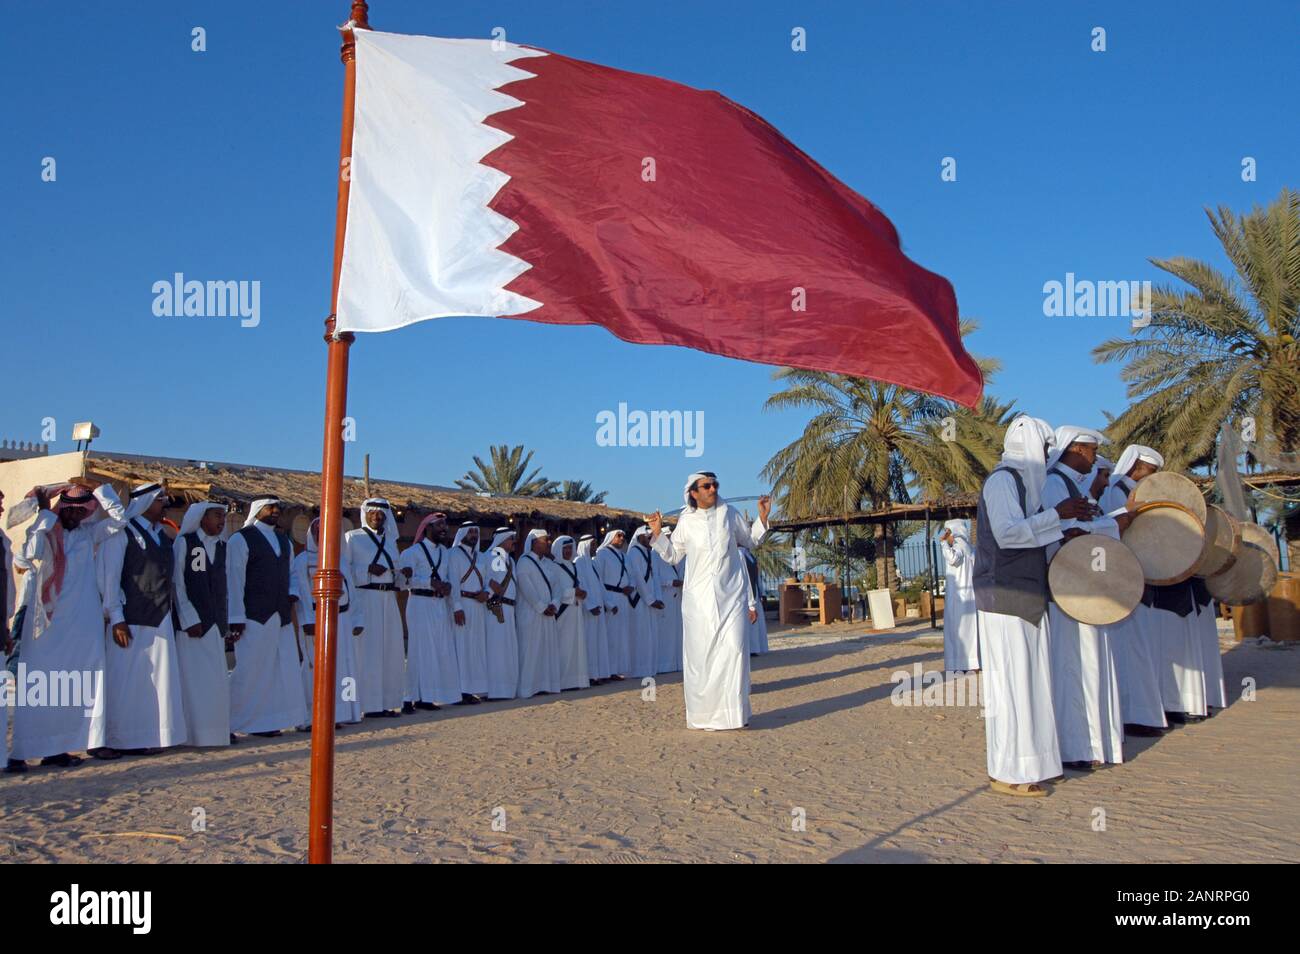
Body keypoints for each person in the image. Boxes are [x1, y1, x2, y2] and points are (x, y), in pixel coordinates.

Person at [972, 416, 1093, 797]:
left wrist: (1062, 528)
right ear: (1028, 446)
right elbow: (1008, 534)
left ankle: (1035, 764)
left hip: (1027, 596)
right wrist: (1059, 517)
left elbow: (1030, 529)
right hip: (1004, 596)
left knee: (1032, 683)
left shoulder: (1026, 485)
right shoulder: (1003, 480)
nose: (1046, 456)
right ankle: (1008, 772)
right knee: (1011, 686)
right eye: (1043, 449)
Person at [6, 479, 126, 771]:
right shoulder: (45, 531)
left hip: (83, 621)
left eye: (80, 510)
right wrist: (45, 514)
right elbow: (29, 552)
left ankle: (58, 749)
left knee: (76, 684)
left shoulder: (90, 534)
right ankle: (22, 750)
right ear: (60, 509)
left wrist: (99, 489)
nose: (75, 515)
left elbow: (120, 519)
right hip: (47, 623)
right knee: (41, 687)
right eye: (69, 509)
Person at [646, 472, 771, 730]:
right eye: (707, 486)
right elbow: (672, 556)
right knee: (703, 658)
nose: (713, 489)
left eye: (715, 485)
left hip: (732, 597)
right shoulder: (687, 521)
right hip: (699, 602)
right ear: (694, 492)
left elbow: (750, 540)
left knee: (734, 650)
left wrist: (762, 518)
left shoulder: (730, 513)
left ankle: (733, 716)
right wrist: (658, 534)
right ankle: (705, 717)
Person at [1041, 426, 1130, 770]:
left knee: (1090, 662)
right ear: (1075, 449)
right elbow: (1057, 532)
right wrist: (1106, 526)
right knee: (1073, 666)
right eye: (1091, 451)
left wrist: (1108, 525)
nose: (1094, 459)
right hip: (1067, 589)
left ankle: (1096, 742)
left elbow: (1085, 526)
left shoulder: (1073, 486)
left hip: (1086, 586)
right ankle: (1077, 746)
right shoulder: (1052, 485)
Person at [1100, 445, 1169, 737]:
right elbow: (1113, 528)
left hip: (1136, 573)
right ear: (1136, 467)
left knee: (1141, 647)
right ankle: (1135, 715)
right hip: (1123, 575)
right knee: (1132, 649)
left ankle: (1145, 713)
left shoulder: (1135, 493)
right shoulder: (1116, 492)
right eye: (1148, 471)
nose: (1148, 478)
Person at [227, 498, 309, 737]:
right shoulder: (241, 539)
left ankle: (268, 722)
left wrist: (292, 593)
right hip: (253, 615)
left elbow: (292, 573)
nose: (275, 511)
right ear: (257, 511)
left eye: (277, 508)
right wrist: (236, 616)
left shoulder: (284, 541)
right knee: (250, 670)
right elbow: (234, 578)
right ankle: (232, 721)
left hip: (280, 614)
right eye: (269, 508)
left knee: (280, 669)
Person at [293, 517, 365, 726]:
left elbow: (351, 590)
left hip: (342, 618)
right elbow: (303, 594)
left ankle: (345, 711)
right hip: (316, 620)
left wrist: (356, 618)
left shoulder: (340, 560)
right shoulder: (302, 561)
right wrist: (307, 620)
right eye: (318, 531)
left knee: (346, 666)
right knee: (314, 666)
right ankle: (311, 716)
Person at [172, 502, 233, 746]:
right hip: (193, 626)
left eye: (223, 516)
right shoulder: (185, 543)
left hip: (215, 624)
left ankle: (216, 733)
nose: (221, 521)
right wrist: (189, 618)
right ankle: (193, 735)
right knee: (193, 682)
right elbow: (178, 584)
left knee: (216, 682)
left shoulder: (222, 547)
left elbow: (225, 588)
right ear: (201, 518)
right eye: (216, 515)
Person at [344, 498, 405, 718]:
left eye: (381, 514)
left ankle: (386, 703)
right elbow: (345, 570)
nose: (377, 517)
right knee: (367, 653)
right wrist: (367, 569)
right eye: (373, 513)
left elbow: (396, 571)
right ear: (365, 515)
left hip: (388, 599)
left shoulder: (391, 541)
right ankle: (365, 705)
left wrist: (402, 576)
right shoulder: (352, 538)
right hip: (365, 598)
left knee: (390, 650)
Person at [397, 512, 461, 709]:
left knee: (438, 651)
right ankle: (408, 698)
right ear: (428, 528)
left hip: (440, 605)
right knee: (418, 650)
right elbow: (401, 583)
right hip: (419, 604)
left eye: (445, 525)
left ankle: (426, 696)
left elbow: (452, 580)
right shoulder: (411, 553)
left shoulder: (445, 553)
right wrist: (428, 582)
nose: (444, 529)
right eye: (439, 525)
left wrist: (451, 595)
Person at [516, 528, 561, 697]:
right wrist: (542, 606)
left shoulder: (548, 564)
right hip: (531, 614)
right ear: (534, 542)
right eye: (545, 540)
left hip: (549, 612)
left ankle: (545, 684)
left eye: (549, 540)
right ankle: (527, 688)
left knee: (546, 649)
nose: (549, 543)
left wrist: (554, 604)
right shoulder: (524, 562)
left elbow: (557, 587)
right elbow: (526, 587)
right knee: (530, 650)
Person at [447, 523, 488, 703]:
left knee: (475, 648)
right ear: (462, 534)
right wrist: (457, 607)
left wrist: (487, 593)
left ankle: (472, 689)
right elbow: (453, 582)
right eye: (470, 532)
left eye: (476, 532)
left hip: (479, 605)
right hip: (461, 604)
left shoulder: (482, 556)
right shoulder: (453, 554)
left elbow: (488, 580)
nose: (473, 535)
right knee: (461, 648)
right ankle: (459, 691)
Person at [482, 527, 520, 700]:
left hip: (510, 608)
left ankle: (507, 689)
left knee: (508, 649)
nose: (513, 542)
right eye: (511, 538)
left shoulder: (510, 560)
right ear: (502, 539)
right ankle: (495, 690)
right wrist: (492, 587)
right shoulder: (490, 556)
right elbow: (485, 577)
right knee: (496, 649)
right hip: (496, 608)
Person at [548, 535, 590, 690]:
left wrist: (582, 593)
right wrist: (574, 592)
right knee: (563, 647)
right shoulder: (553, 567)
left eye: (570, 548)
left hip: (576, 610)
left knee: (576, 647)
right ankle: (562, 682)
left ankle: (575, 681)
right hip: (563, 612)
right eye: (565, 548)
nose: (568, 551)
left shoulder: (574, 566)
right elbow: (554, 590)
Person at [937, 519, 979, 672]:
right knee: (970, 630)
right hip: (970, 595)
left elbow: (953, 559)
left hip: (958, 596)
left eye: (947, 532)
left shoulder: (958, 546)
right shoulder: (970, 548)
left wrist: (943, 544)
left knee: (957, 630)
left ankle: (959, 665)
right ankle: (973, 663)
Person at [625, 526, 664, 677]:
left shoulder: (651, 553)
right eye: (646, 537)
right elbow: (639, 578)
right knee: (641, 635)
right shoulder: (634, 552)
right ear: (639, 537)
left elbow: (655, 576)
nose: (649, 539)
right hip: (640, 600)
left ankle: (649, 668)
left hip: (651, 599)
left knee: (651, 635)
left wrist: (658, 598)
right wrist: (650, 599)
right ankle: (639, 669)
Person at [594, 529, 631, 678]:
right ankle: (607, 671)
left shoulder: (624, 557)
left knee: (621, 636)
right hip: (610, 596)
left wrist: (632, 586)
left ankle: (616, 670)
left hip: (623, 597)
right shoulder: (602, 554)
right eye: (619, 535)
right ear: (611, 537)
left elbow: (632, 575)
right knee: (610, 636)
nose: (622, 538)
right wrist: (607, 602)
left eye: (623, 536)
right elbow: (599, 579)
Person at [575, 534, 611, 683]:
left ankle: (598, 674)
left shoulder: (593, 563)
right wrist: (590, 605)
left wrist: (608, 603)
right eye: (593, 544)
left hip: (599, 609)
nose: (595, 547)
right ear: (585, 545)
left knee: (599, 642)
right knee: (589, 642)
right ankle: (589, 675)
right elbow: (581, 586)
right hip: (588, 610)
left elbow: (600, 586)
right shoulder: (578, 563)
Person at [653, 529, 683, 672]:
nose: (670, 538)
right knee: (666, 633)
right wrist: (671, 582)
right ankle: (665, 665)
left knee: (677, 632)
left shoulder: (675, 553)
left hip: (677, 598)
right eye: (667, 536)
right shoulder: (655, 554)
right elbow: (655, 578)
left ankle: (677, 663)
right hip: (665, 596)